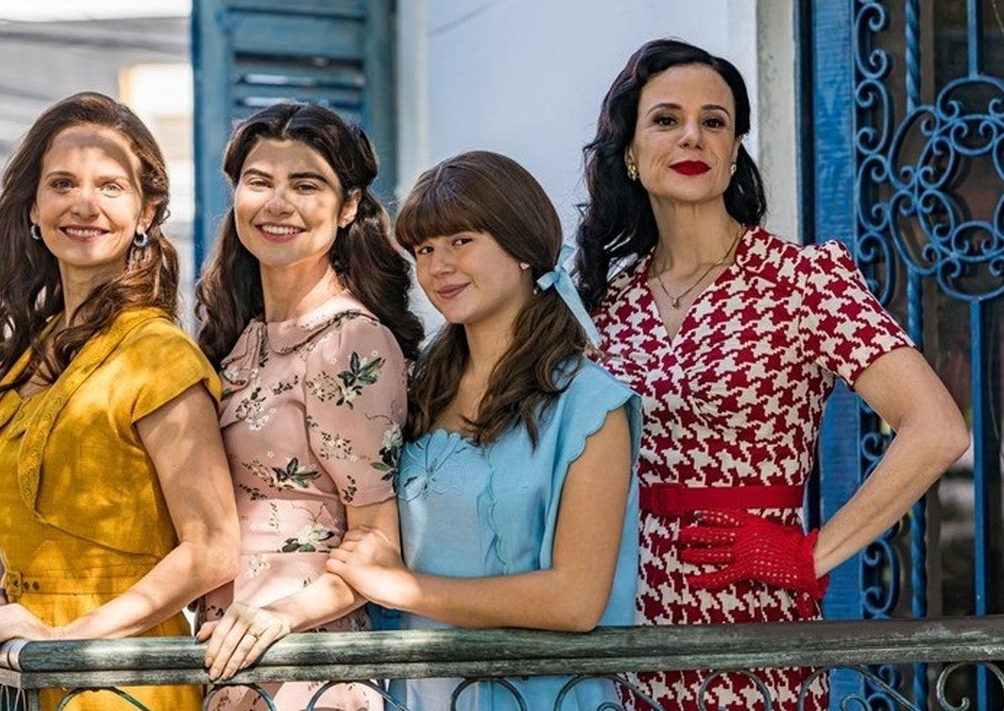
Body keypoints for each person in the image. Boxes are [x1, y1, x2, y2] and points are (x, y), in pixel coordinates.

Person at [574, 39, 970, 710]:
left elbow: (937, 429)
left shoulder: (802, 279)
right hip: (630, 627)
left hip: (756, 621)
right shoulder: (608, 304)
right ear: (632, 154)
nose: (693, 135)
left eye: (716, 120)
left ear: (734, 152)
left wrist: (810, 555)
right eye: (666, 119)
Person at [0, 92, 240, 711]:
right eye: (62, 183)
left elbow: (211, 549)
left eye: (110, 186)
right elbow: (8, 527)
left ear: (146, 210)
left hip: (120, 680)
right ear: (33, 206)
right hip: (20, 667)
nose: (84, 204)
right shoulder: (25, 354)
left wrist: (67, 642)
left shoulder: (158, 357)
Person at [326, 150, 641, 711]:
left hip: (544, 697)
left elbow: (576, 599)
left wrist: (404, 588)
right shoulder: (417, 389)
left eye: (461, 241)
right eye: (424, 249)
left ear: (522, 249)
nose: (438, 266)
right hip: (422, 695)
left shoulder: (592, 404)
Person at [193, 102, 423, 710]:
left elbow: (376, 541)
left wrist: (279, 619)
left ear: (348, 207)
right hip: (232, 658)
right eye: (259, 181)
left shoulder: (352, 342)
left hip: (310, 667)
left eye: (306, 185)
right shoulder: (242, 336)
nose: (278, 203)